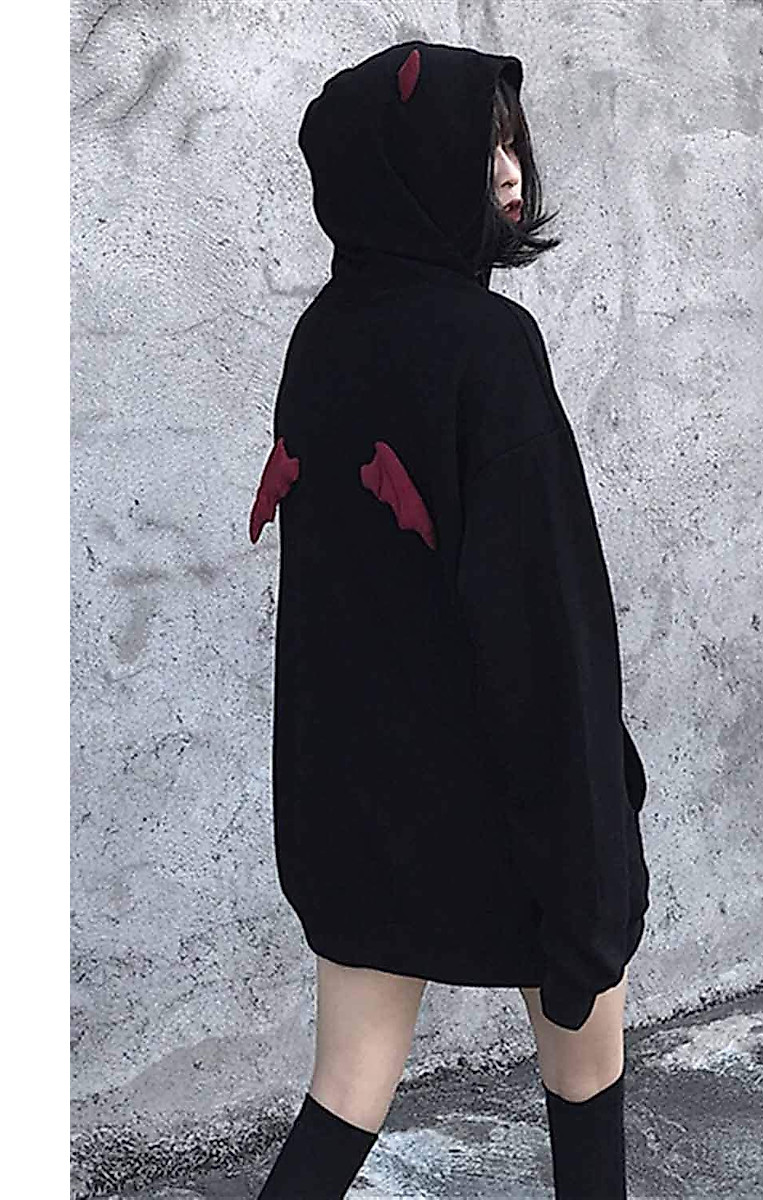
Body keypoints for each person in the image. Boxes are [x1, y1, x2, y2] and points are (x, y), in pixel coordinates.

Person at [249, 39, 651, 1199]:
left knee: (346, 1087)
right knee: (585, 1070)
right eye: (482, 150)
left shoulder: (322, 337)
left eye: (513, 144)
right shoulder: (488, 346)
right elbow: (547, 624)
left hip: (361, 813)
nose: (511, 172)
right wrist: (590, 862)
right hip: (511, 808)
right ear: (410, 169)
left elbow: (327, 611)